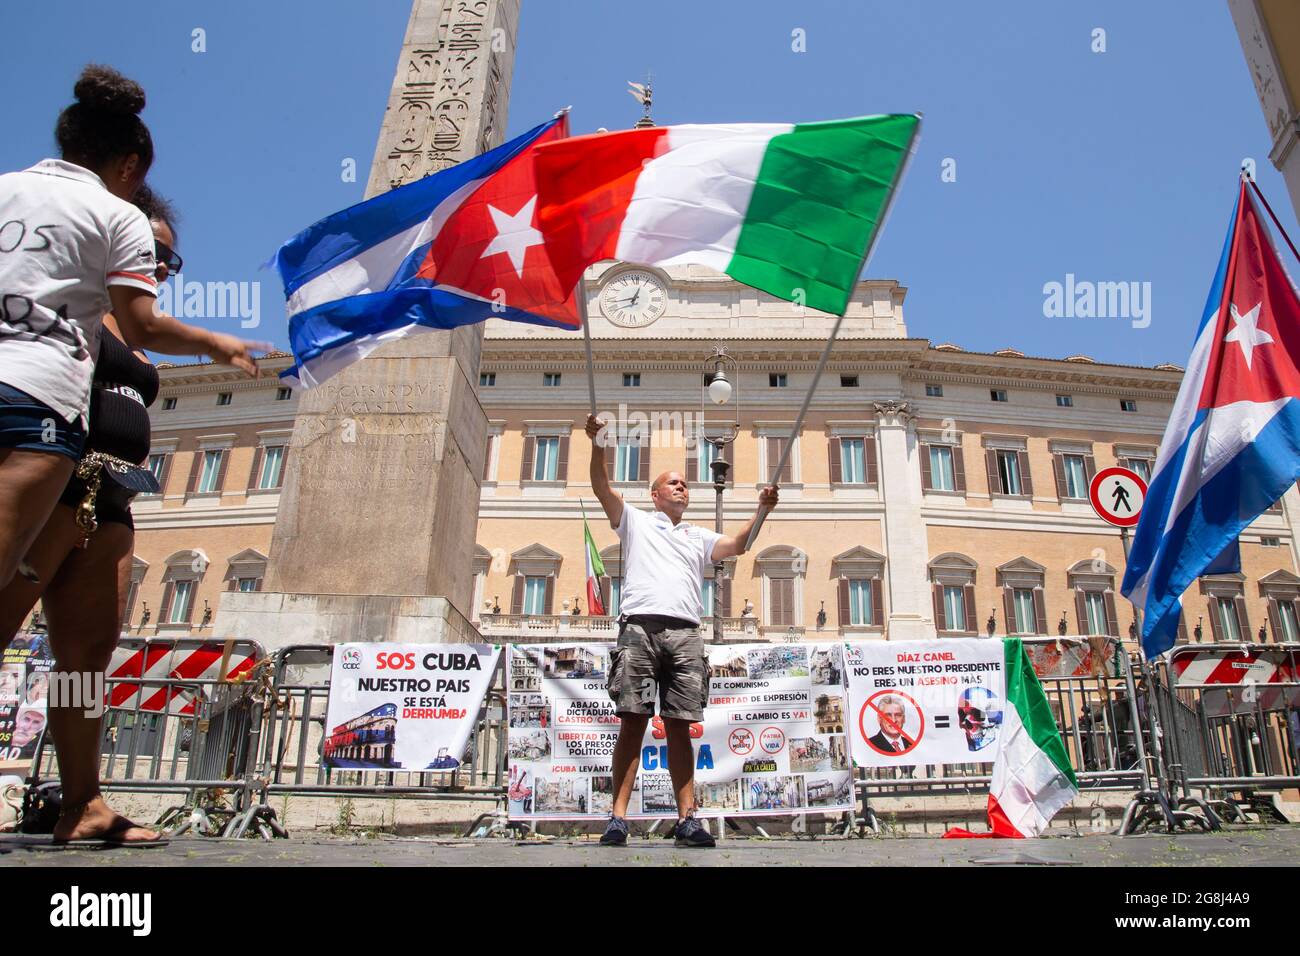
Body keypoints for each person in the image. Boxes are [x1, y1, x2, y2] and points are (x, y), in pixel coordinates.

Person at [0, 177, 246, 844]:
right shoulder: (63, 303)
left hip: (109, 499)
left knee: (85, 661)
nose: (160, 269)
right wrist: (211, 343)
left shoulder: (132, 330)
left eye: (168, 261)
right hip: (55, 482)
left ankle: (84, 802)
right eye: (153, 255)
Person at [0, 64, 261, 595]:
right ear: (130, 165)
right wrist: (216, 342)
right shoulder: (120, 217)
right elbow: (141, 325)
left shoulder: (7, 188)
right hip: (39, 403)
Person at [585, 413, 778, 848]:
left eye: (684, 484)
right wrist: (598, 444)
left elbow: (740, 545)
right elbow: (601, 486)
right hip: (639, 628)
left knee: (679, 725)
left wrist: (763, 509)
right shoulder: (633, 520)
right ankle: (617, 818)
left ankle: (687, 818)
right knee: (632, 723)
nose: (681, 487)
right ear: (655, 496)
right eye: (672, 483)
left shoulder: (698, 536)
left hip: (686, 634)